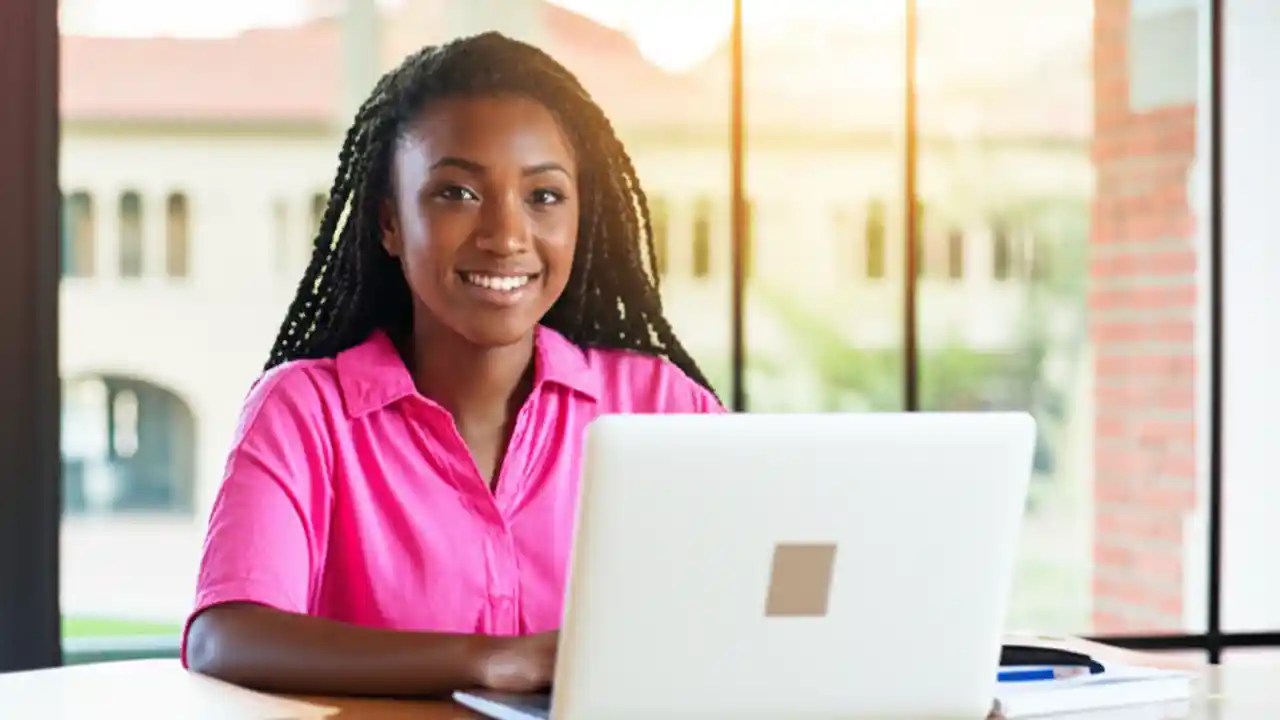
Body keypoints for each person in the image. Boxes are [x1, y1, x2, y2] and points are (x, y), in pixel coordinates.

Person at [183, 32, 722, 697]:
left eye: (544, 197)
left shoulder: (663, 407)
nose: (504, 235)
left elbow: (748, 610)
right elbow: (227, 637)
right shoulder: (305, 412)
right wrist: (486, 660)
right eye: (457, 193)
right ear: (388, 223)